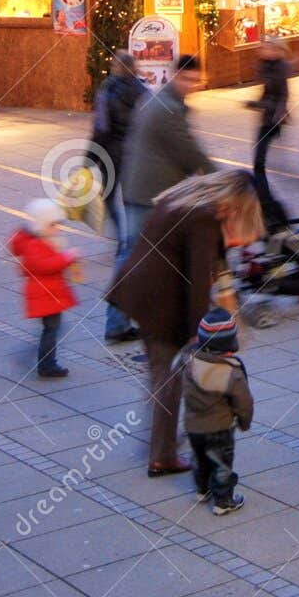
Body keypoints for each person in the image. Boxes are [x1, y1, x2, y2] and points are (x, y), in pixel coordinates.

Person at [105, 170, 263, 476]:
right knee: (168, 378)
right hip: (158, 302)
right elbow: (197, 284)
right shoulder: (203, 218)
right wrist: (199, 338)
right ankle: (162, 457)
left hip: (141, 292)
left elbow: (211, 263)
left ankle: (159, 443)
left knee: (162, 375)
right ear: (233, 203)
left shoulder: (186, 198)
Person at [120, 55, 215, 297]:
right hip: (151, 193)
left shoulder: (154, 98)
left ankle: (124, 320)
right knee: (138, 255)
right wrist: (220, 177)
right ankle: (125, 319)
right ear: (173, 75)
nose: (189, 85)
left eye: (194, 80)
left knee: (134, 253)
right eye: (185, 78)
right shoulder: (168, 109)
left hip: (139, 188)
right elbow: (190, 152)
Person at [92, 51, 149, 341]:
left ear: (116, 67)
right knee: (128, 203)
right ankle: (125, 236)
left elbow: (100, 128)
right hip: (135, 161)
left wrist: (90, 158)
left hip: (111, 157)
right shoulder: (142, 91)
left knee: (108, 198)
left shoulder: (106, 91)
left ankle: (121, 235)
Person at [179, 306, 255, 515]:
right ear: (230, 343)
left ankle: (203, 490)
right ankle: (223, 501)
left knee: (199, 458)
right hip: (219, 427)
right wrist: (244, 422)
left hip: (193, 425)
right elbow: (244, 402)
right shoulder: (231, 372)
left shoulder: (188, 361)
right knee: (221, 463)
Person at [10, 198, 82, 378]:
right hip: (46, 296)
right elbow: (45, 266)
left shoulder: (37, 239)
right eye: (53, 225)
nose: (57, 229)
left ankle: (42, 359)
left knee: (51, 328)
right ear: (41, 225)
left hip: (48, 295)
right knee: (51, 329)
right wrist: (67, 257)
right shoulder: (34, 244)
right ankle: (47, 364)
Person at [248, 38, 291, 226]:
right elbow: (267, 92)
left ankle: (266, 203)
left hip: (272, 120)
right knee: (259, 163)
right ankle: (265, 201)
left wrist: (257, 104)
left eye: (266, 47)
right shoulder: (269, 66)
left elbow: (279, 96)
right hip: (269, 118)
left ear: (276, 50)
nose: (262, 49)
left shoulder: (278, 69)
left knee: (259, 163)